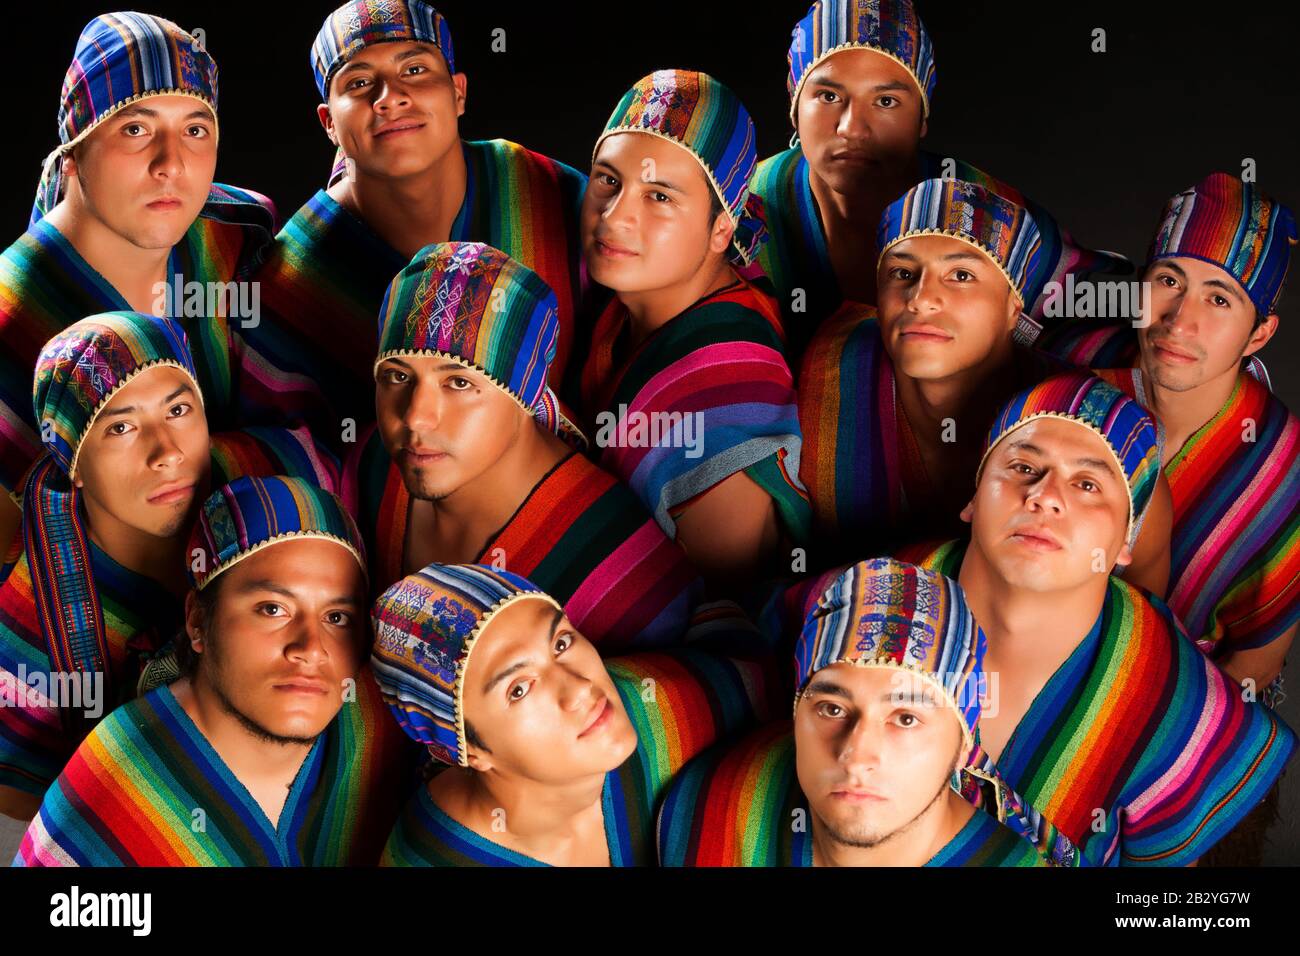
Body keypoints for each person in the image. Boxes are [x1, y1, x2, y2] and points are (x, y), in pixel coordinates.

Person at [900, 371, 1295, 865]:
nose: (1044, 496)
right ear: (974, 498)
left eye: (1087, 484)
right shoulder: (868, 597)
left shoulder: (1174, 700)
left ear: (1128, 540)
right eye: (1023, 466)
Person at [0, 312, 338, 821]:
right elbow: (29, 801)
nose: (167, 453)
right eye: (121, 427)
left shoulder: (277, 467)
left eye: (178, 409)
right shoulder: (28, 633)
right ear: (74, 464)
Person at [0, 12, 298, 555]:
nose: (171, 164)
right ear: (73, 152)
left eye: (194, 129)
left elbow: (302, 417)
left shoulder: (231, 238)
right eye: (135, 129)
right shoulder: (12, 319)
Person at [796, 177, 1172, 593]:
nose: (921, 298)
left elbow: (1138, 617)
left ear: (1015, 306)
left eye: (960, 275)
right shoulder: (836, 362)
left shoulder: (1102, 436)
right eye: (902, 272)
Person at [16, 475, 410, 865]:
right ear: (197, 621)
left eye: (337, 617)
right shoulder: (103, 813)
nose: (310, 650)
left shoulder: (376, 732)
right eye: (272, 609)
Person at [251, 0, 592, 449]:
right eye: (359, 82)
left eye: (414, 70)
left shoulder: (543, 190)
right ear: (329, 122)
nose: (390, 96)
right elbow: (296, 452)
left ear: (458, 92)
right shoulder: (291, 279)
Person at [343, 242, 702, 649]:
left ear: (526, 395)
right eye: (397, 376)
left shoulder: (622, 580)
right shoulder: (373, 465)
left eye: (459, 382)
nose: (415, 418)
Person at [748, 0, 1127, 361]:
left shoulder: (987, 213)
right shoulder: (739, 207)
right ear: (795, 107)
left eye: (885, 102)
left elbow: (1106, 322)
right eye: (828, 95)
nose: (852, 128)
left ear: (921, 119)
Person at [372, 563, 779, 865]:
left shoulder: (656, 706)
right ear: (469, 751)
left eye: (562, 643)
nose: (581, 689)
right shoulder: (427, 858)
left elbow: (762, 677)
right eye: (519, 688)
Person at [578, 69, 810, 590]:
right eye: (608, 180)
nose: (615, 218)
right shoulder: (619, 305)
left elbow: (722, 609)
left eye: (659, 197)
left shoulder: (724, 392)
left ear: (721, 228)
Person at [1070, 175, 1297, 701]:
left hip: (1183, 716)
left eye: (1220, 300)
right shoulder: (1073, 372)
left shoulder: (1282, 473)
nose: (1179, 321)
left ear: (1259, 334)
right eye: (1169, 282)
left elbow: (1254, 667)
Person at [657, 557, 1043, 866]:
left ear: (962, 745)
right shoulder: (704, 813)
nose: (855, 755)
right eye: (832, 708)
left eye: (905, 718)